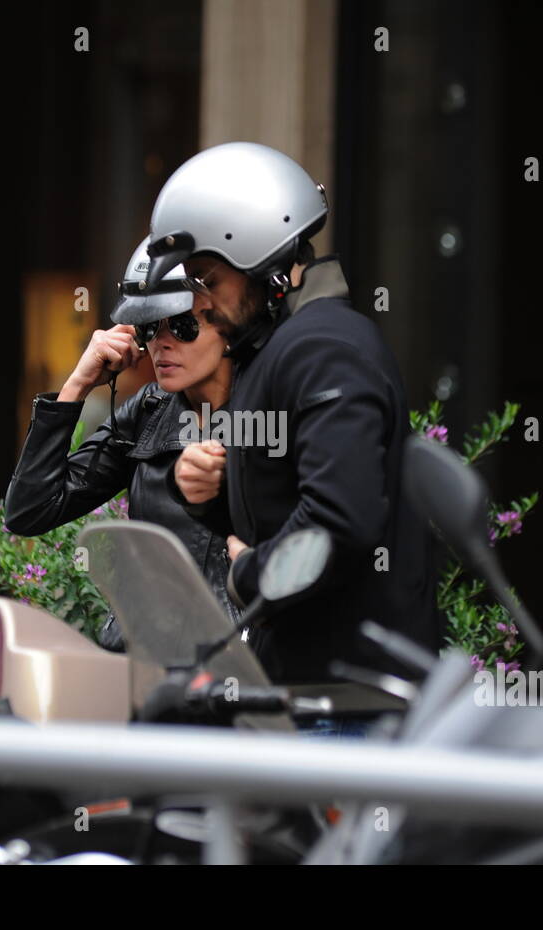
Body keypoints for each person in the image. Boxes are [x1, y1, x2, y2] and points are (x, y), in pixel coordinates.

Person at [148, 142, 442, 713]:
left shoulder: (323, 349)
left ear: (261, 259)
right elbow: (283, 504)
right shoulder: (276, 351)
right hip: (308, 693)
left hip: (348, 705)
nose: (199, 305)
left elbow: (338, 523)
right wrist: (211, 490)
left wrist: (248, 574)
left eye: (207, 278)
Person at [3, 239, 241, 651]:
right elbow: (30, 510)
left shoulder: (274, 413)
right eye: (150, 328)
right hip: (141, 660)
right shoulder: (148, 411)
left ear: (229, 325)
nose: (162, 344)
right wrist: (76, 386)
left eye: (181, 326)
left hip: (236, 663)